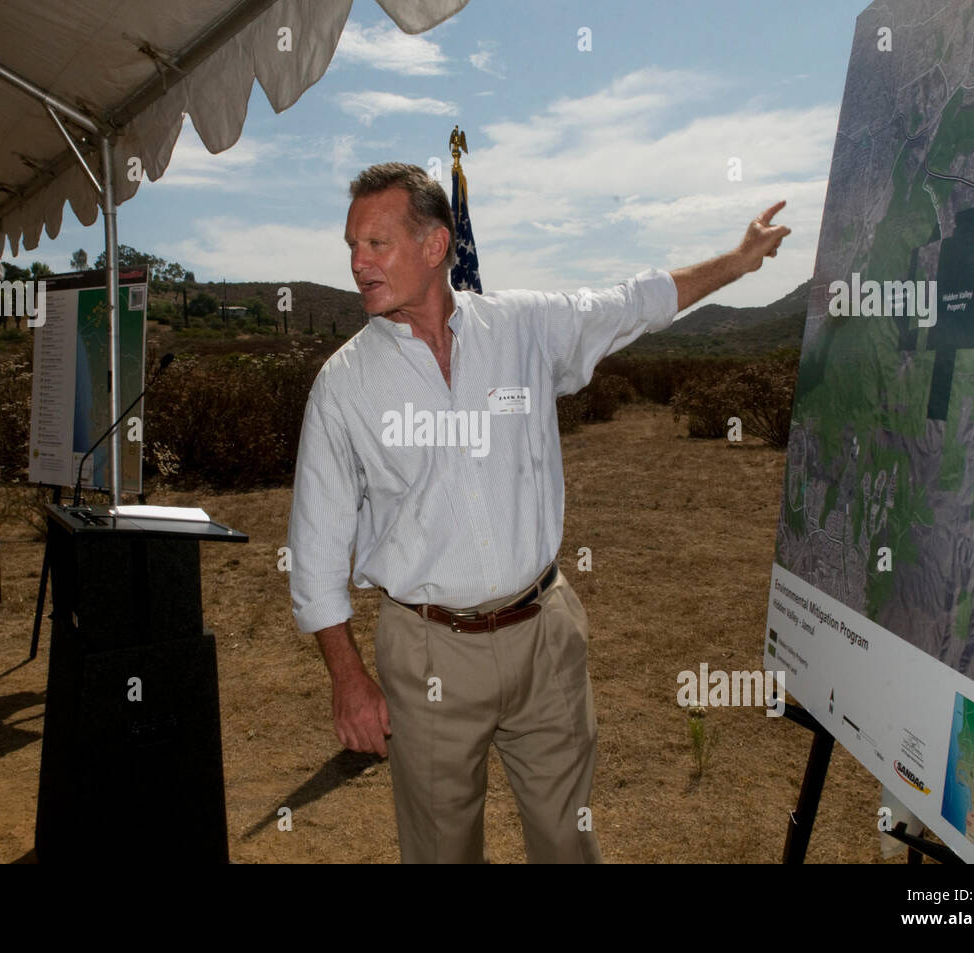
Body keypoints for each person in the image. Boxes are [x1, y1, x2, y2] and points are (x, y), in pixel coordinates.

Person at [288, 162, 789, 863]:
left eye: (376, 244)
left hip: (545, 634)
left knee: (567, 842)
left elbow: (630, 302)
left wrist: (735, 264)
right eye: (352, 247)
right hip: (429, 649)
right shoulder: (343, 386)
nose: (357, 264)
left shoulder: (522, 328)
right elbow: (314, 550)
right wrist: (347, 678)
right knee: (441, 852)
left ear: (435, 246)